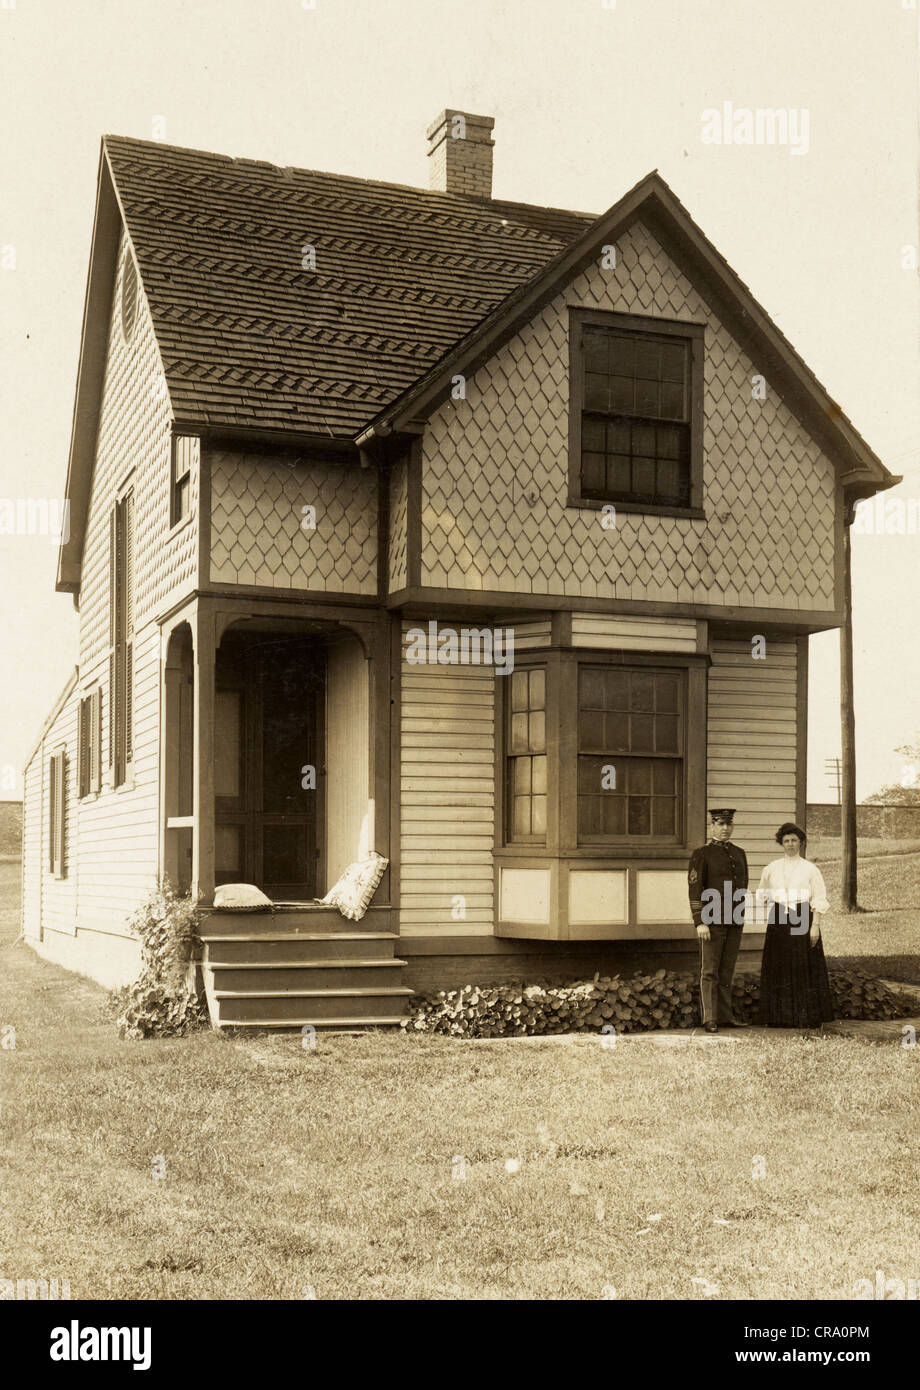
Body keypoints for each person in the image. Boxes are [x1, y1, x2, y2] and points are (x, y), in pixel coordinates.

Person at [757, 822, 835, 1028]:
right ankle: (778, 1018)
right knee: (778, 965)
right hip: (779, 919)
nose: (790, 844)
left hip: (802, 916)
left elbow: (819, 897)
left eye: (794, 840)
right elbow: (762, 892)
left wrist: (815, 925)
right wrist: (769, 901)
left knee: (802, 965)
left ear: (800, 842)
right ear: (781, 843)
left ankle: (803, 1017)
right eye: (786, 841)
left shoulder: (810, 869)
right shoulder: (771, 868)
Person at [688, 809, 750, 1033]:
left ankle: (725, 1016)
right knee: (710, 971)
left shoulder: (740, 853)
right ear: (712, 826)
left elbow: (743, 888)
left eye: (728, 824)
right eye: (720, 824)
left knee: (726, 971)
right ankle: (709, 1019)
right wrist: (700, 921)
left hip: (734, 920)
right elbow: (695, 889)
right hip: (711, 921)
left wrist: (740, 916)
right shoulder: (702, 854)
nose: (725, 828)